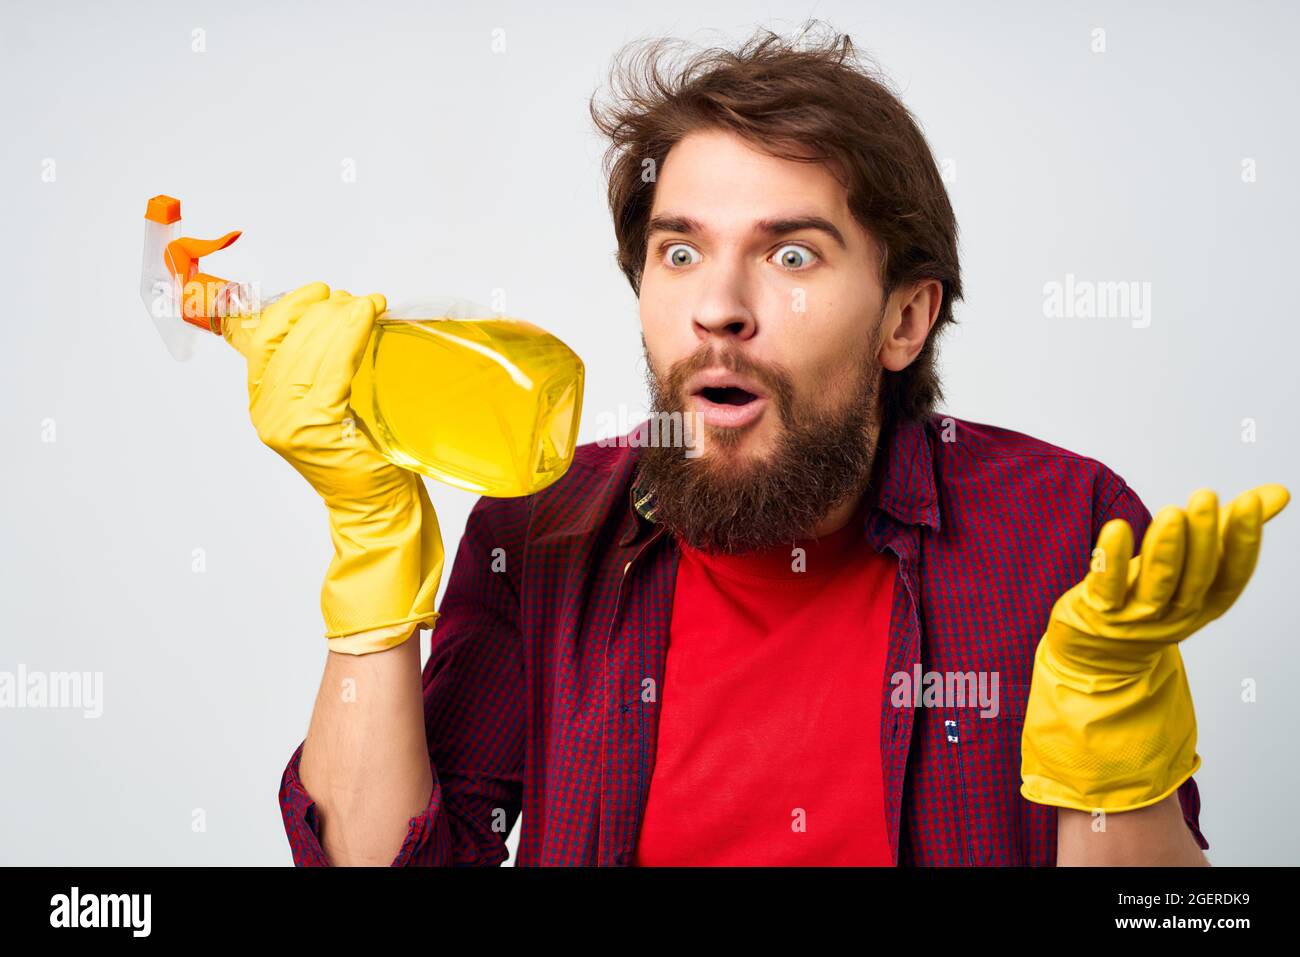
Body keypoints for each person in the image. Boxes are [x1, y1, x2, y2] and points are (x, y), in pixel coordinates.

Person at [223, 23, 1287, 866]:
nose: (718, 308)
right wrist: (368, 539)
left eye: (790, 253)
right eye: (678, 250)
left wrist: (1112, 743)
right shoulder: (540, 528)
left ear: (904, 320)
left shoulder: (1061, 530)